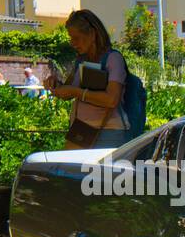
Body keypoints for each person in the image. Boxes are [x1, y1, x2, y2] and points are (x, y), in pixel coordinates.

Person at [44, 9, 131, 150]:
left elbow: (111, 99)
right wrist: (56, 84)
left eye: (76, 38)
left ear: (92, 34)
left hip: (108, 132)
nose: (72, 43)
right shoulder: (81, 60)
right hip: (81, 129)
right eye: (71, 38)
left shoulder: (113, 59)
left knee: (99, 172)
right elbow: (70, 91)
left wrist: (76, 92)